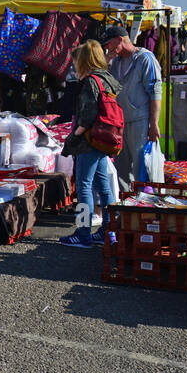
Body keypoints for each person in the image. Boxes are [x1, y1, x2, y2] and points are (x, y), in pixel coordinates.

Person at [60, 41, 121, 247]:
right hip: (105, 139)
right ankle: (108, 230)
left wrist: (73, 137)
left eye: (76, 61)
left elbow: (86, 118)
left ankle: (83, 232)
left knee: (84, 185)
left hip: (89, 141)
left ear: (84, 60)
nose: (74, 65)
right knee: (104, 187)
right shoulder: (107, 79)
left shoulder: (89, 83)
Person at [102, 24, 162, 190]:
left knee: (141, 167)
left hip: (140, 122)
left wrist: (154, 123)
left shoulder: (145, 59)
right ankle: (124, 209)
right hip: (120, 123)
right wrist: (107, 60)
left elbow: (155, 92)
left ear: (120, 40)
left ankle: (145, 207)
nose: (107, 47)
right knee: (121, 168)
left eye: (109, 43)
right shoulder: (116, 62)